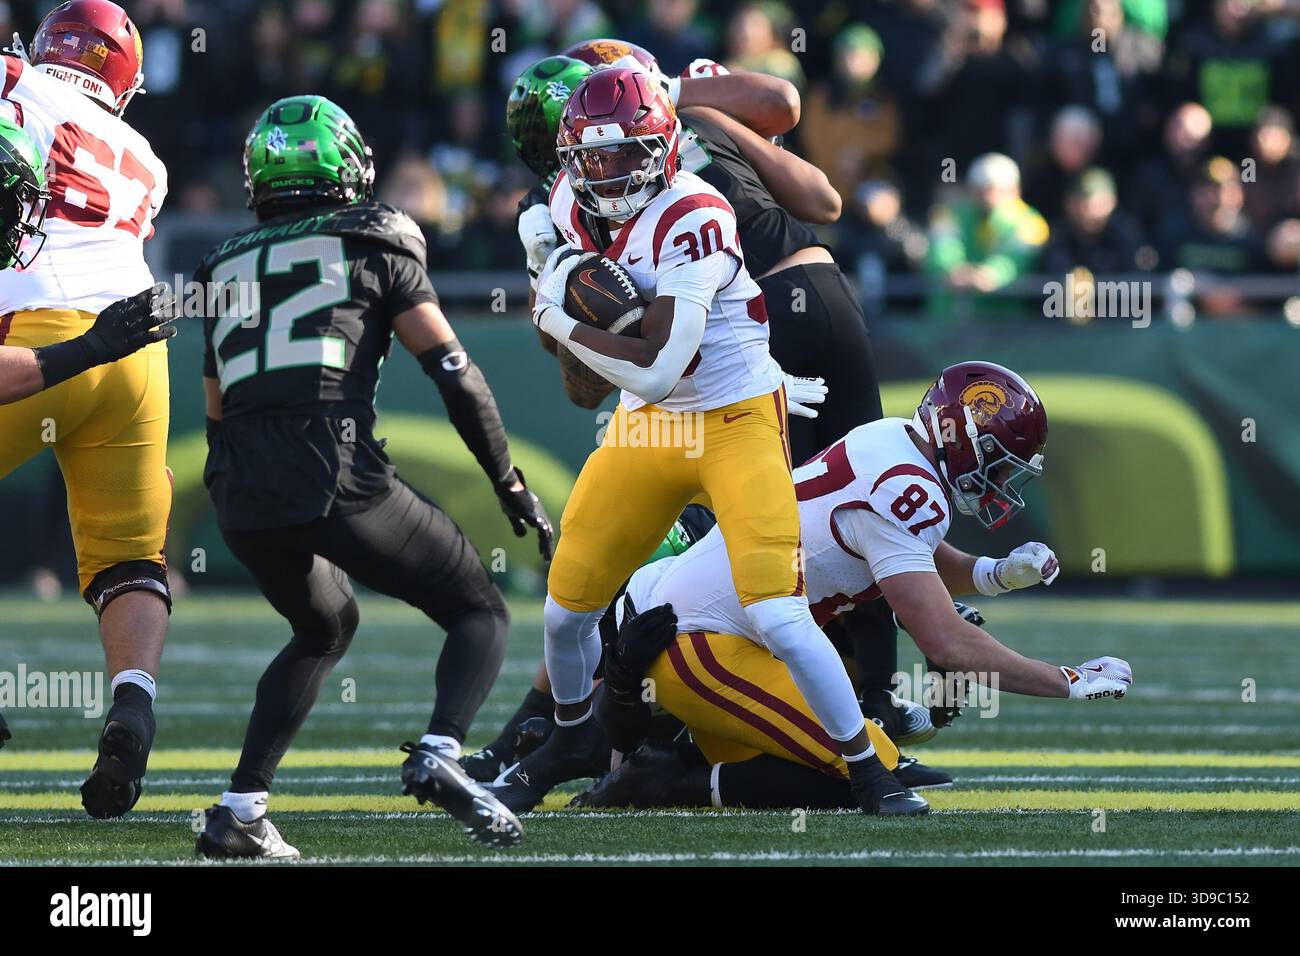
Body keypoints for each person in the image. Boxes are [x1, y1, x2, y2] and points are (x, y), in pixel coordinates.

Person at [500, 66, 925, 818]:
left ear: (665, 144)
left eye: (628, 154)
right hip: (646, 429)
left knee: (779, 616)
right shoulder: (569, 201)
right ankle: (571, 736)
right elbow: (586, 352)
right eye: (593, 159)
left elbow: (664, 366)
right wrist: (546, 252)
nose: (611, 174)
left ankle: (867, 764)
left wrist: (557, 313)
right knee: (565, 612)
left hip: (733, 418)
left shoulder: (694, 209)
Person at [193, 95, 551, 859]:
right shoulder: (375, 242)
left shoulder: (221, 263)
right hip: (333, 465)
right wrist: (508, 482)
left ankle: (239, 810)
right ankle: (442, 751)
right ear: (347, 164)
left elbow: (217, 406)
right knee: (479, 611)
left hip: (239, 488)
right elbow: (455, 373)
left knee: (323, 626)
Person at [580, 363, 1133, 810]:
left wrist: (997, 573)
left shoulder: (892, 440)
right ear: (965, 438)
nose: (1001, 484)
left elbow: (915, 557)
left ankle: (675, 764)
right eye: (1001, 465)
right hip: (698, 646)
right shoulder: (906, 489)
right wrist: (1068, 681)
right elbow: (948, 644)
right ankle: (666, 783)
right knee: (875, 765)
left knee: (828, 758)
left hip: (713, 633)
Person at [0, 1, 175, 820]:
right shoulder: (146, 155)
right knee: (128, 560)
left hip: (37, 333)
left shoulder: (16, 84)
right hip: (136, 344)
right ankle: (132, 704)